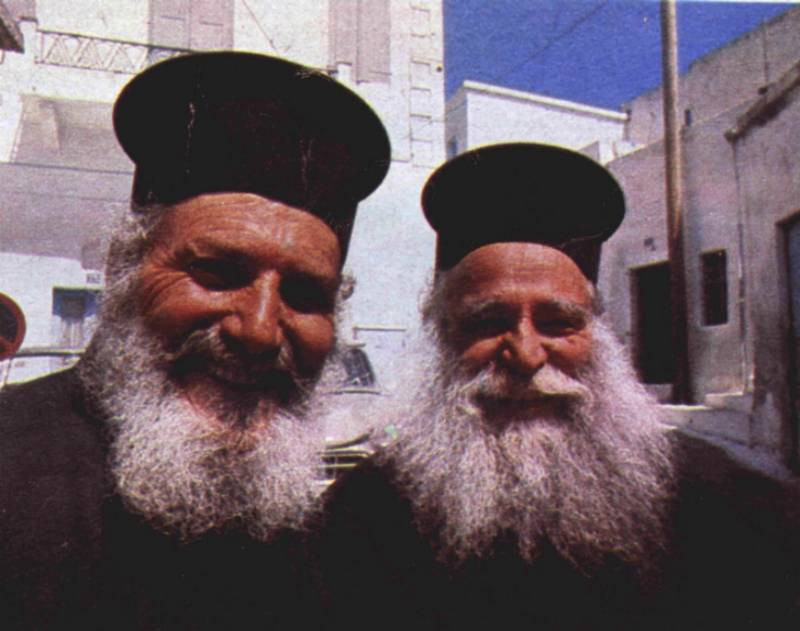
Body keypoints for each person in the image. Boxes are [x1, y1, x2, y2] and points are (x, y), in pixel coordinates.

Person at [320, 143, 800, 630]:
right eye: (487, 322)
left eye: (557, 322)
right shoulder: (362, 517)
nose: (526, 355)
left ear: (599, 335)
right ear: (440, 335)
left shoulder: (732, 512)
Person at [0, 51, 390, 630]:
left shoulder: (313, 532)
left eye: (306, 295)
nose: (259, 329)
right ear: (123, 269)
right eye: (217, 273)